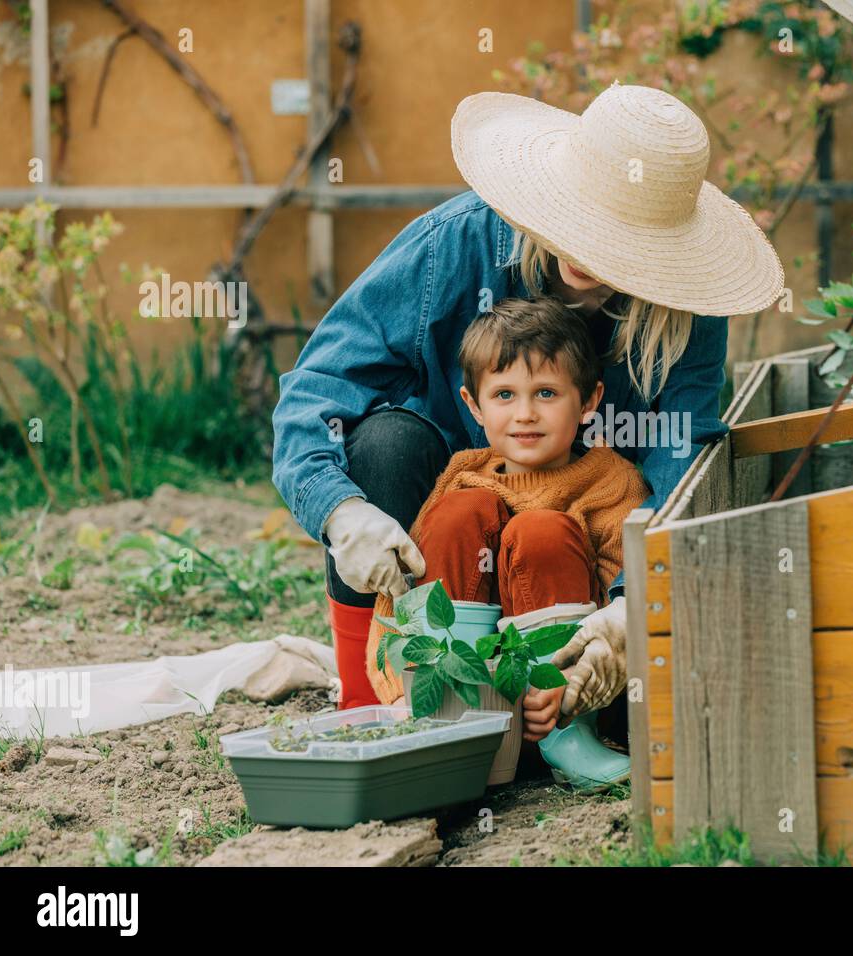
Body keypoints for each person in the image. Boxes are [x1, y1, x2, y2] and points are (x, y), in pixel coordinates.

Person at [271, 81, 784, 730]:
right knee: (382, 444)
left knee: (568, 586)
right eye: (586, 222)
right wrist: (339, 510)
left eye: (621, 241)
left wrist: (637, 597)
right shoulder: (455, 245)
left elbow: (680, 451)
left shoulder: (684, 308)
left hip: (584, 525)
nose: (592, 252)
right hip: (448, 516)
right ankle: (371, 699)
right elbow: (318, 387)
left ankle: (559, 709)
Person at [364, 297, 650, 785]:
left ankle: (567, 739)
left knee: (541, 529)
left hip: (560, 705)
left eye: (545, 393)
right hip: (475, 709)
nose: (525, 414)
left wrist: (570, 689)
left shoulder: (611, 482)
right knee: (458, 514)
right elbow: (398, 597)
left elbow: (619, 604)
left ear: (588, 401)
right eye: (503, 395)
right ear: (473, 404)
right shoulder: (461, 476)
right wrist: (395, 693)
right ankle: (444, 718)